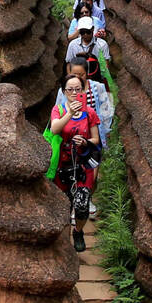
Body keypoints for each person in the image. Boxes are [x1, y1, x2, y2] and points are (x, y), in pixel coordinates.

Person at [57, 57, 113, 216]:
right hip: (71, 138)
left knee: (92, 171)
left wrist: (106, 131)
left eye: (81, 74)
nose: (78, 77)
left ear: (87, 73)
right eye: (74, 73)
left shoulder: (98, 87)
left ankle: (88, 198)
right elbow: (57, 109)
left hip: (94, 137)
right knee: (73, 171)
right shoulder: (65, 90)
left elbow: (106, 109)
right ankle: (77, 202)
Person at [51, 74, 101, 252]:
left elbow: (96, 139)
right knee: (64, 204)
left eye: (77, 89)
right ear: (64, 92)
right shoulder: (58, 110)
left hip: (82, 166)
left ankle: (78, 231)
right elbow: (54, 128)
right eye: (70, 90)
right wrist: (70, 113)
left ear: (84, 90)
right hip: (62, 167)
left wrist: (86, 142)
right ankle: (63, 240)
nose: (74, 93)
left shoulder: (90, 113)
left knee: (82, 205)